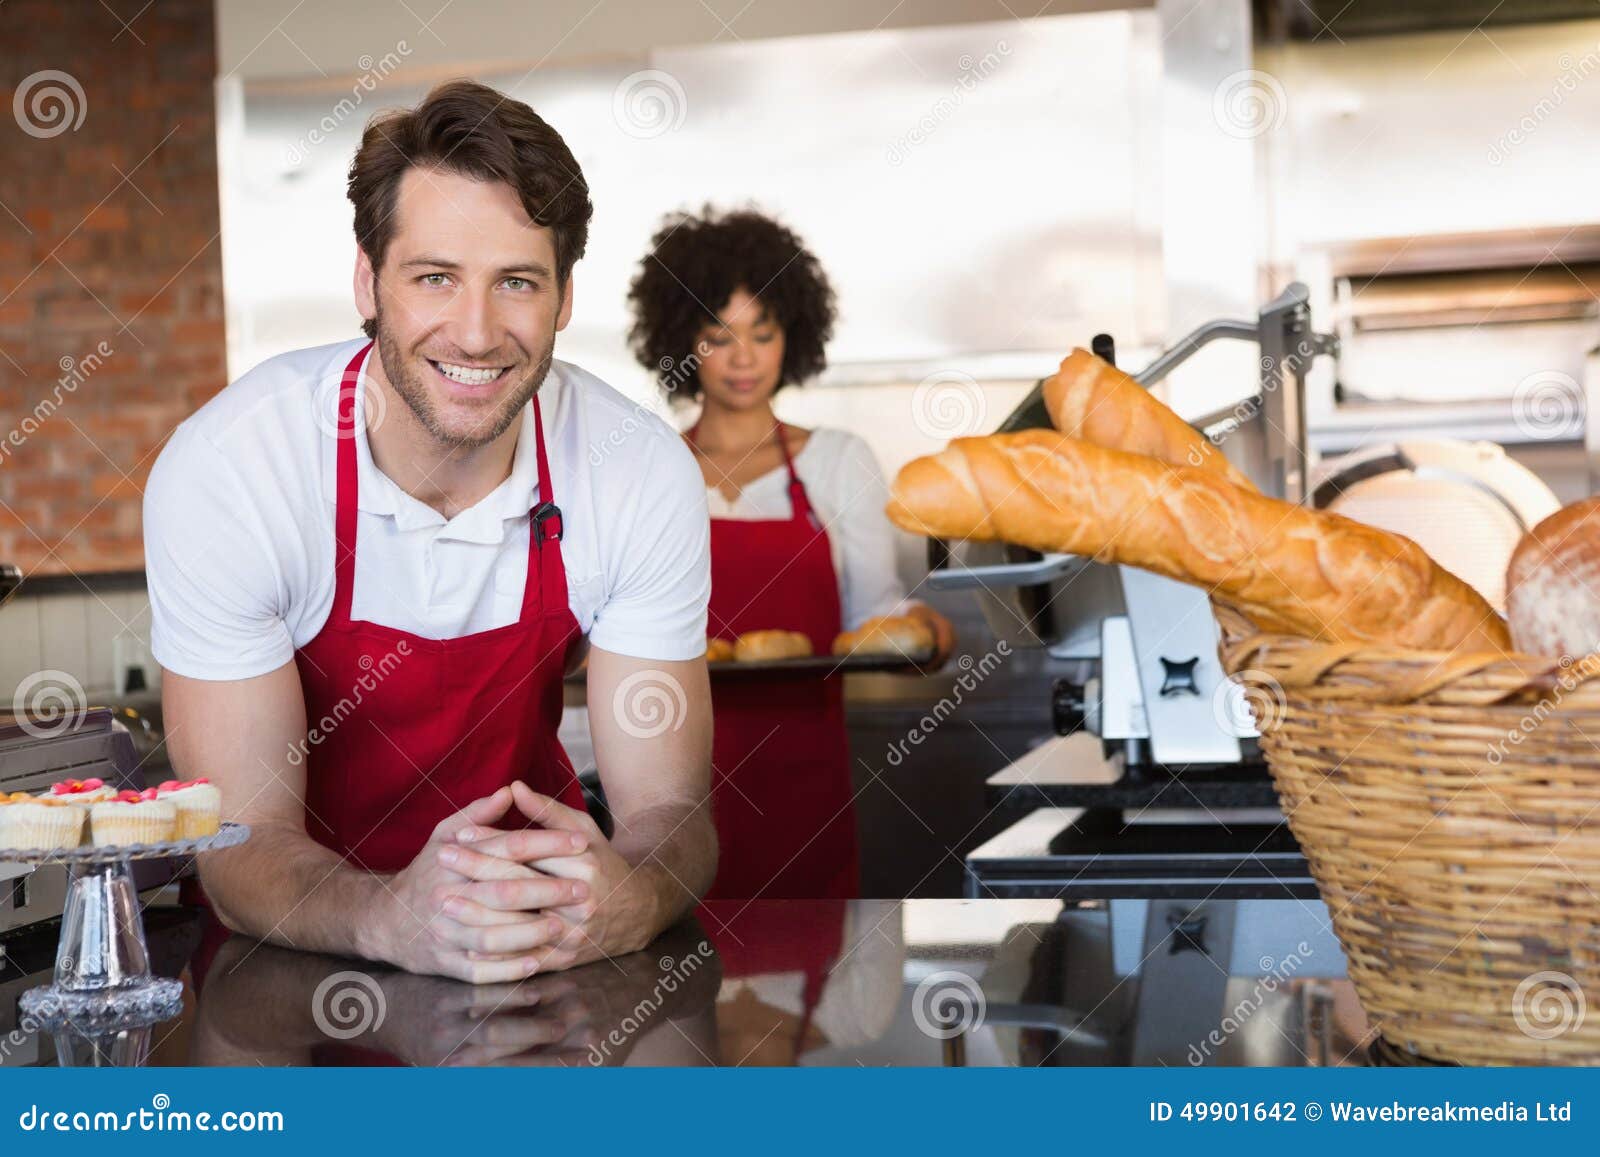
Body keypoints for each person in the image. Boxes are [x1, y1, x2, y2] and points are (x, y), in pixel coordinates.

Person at [144, 81, 717, 984]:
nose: (478, 331)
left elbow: (672, 809)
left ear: (565, 297)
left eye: (518, 281)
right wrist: (390, 917)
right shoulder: (234, 468)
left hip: (546, 949)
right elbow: (239, 848)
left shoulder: (636, 468)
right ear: (369, 282)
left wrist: (634, 895)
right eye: (435, 277)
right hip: (293, 970)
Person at [626, 207, 954, 900]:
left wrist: (922, 628)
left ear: (792, 337)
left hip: (806, 782)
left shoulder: (839, 461)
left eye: (763, 333)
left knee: (817, 981)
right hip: (673, 786)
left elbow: (874, 614)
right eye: (718, 336)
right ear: (680, 341)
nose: (744, 358)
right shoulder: (650, 466)